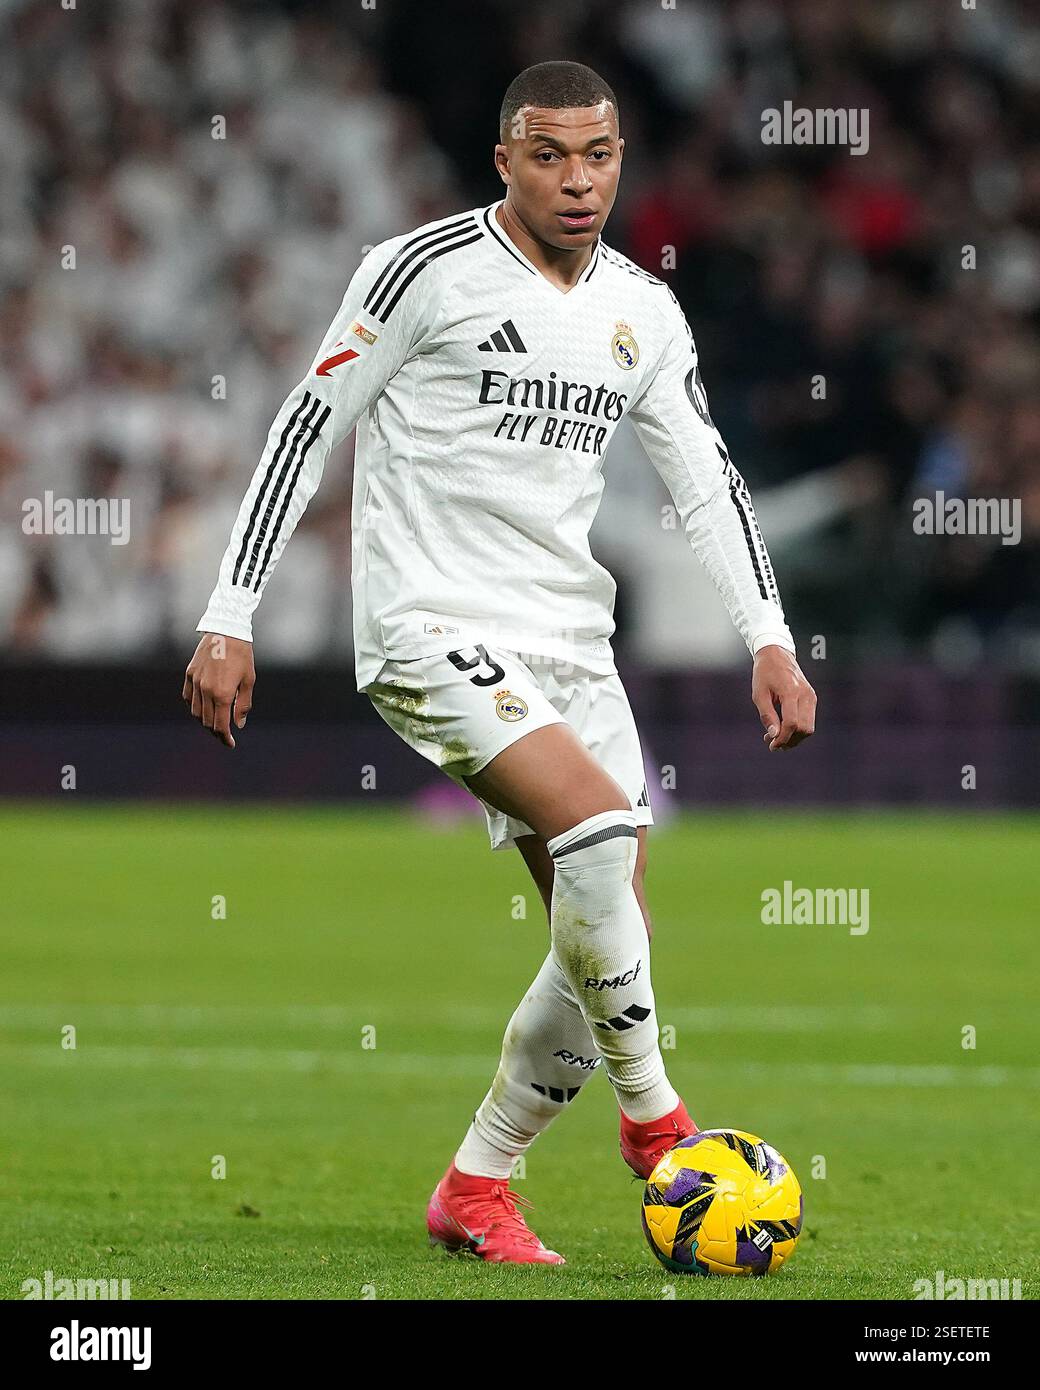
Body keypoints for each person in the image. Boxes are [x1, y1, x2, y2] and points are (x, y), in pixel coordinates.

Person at [183, 60, 817, 1266]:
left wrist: (769, 637)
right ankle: (657, 1122)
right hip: (429, 621)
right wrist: (232, 609)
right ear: (503, 161)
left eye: (599, 156)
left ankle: (475, 1186)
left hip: (571, 641)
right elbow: (304, 423)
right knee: (588, 835)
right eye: (549, 156)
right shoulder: (420, 271)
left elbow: (704, 481)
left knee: (599, 933)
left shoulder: (643, 307)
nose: (578, 181)